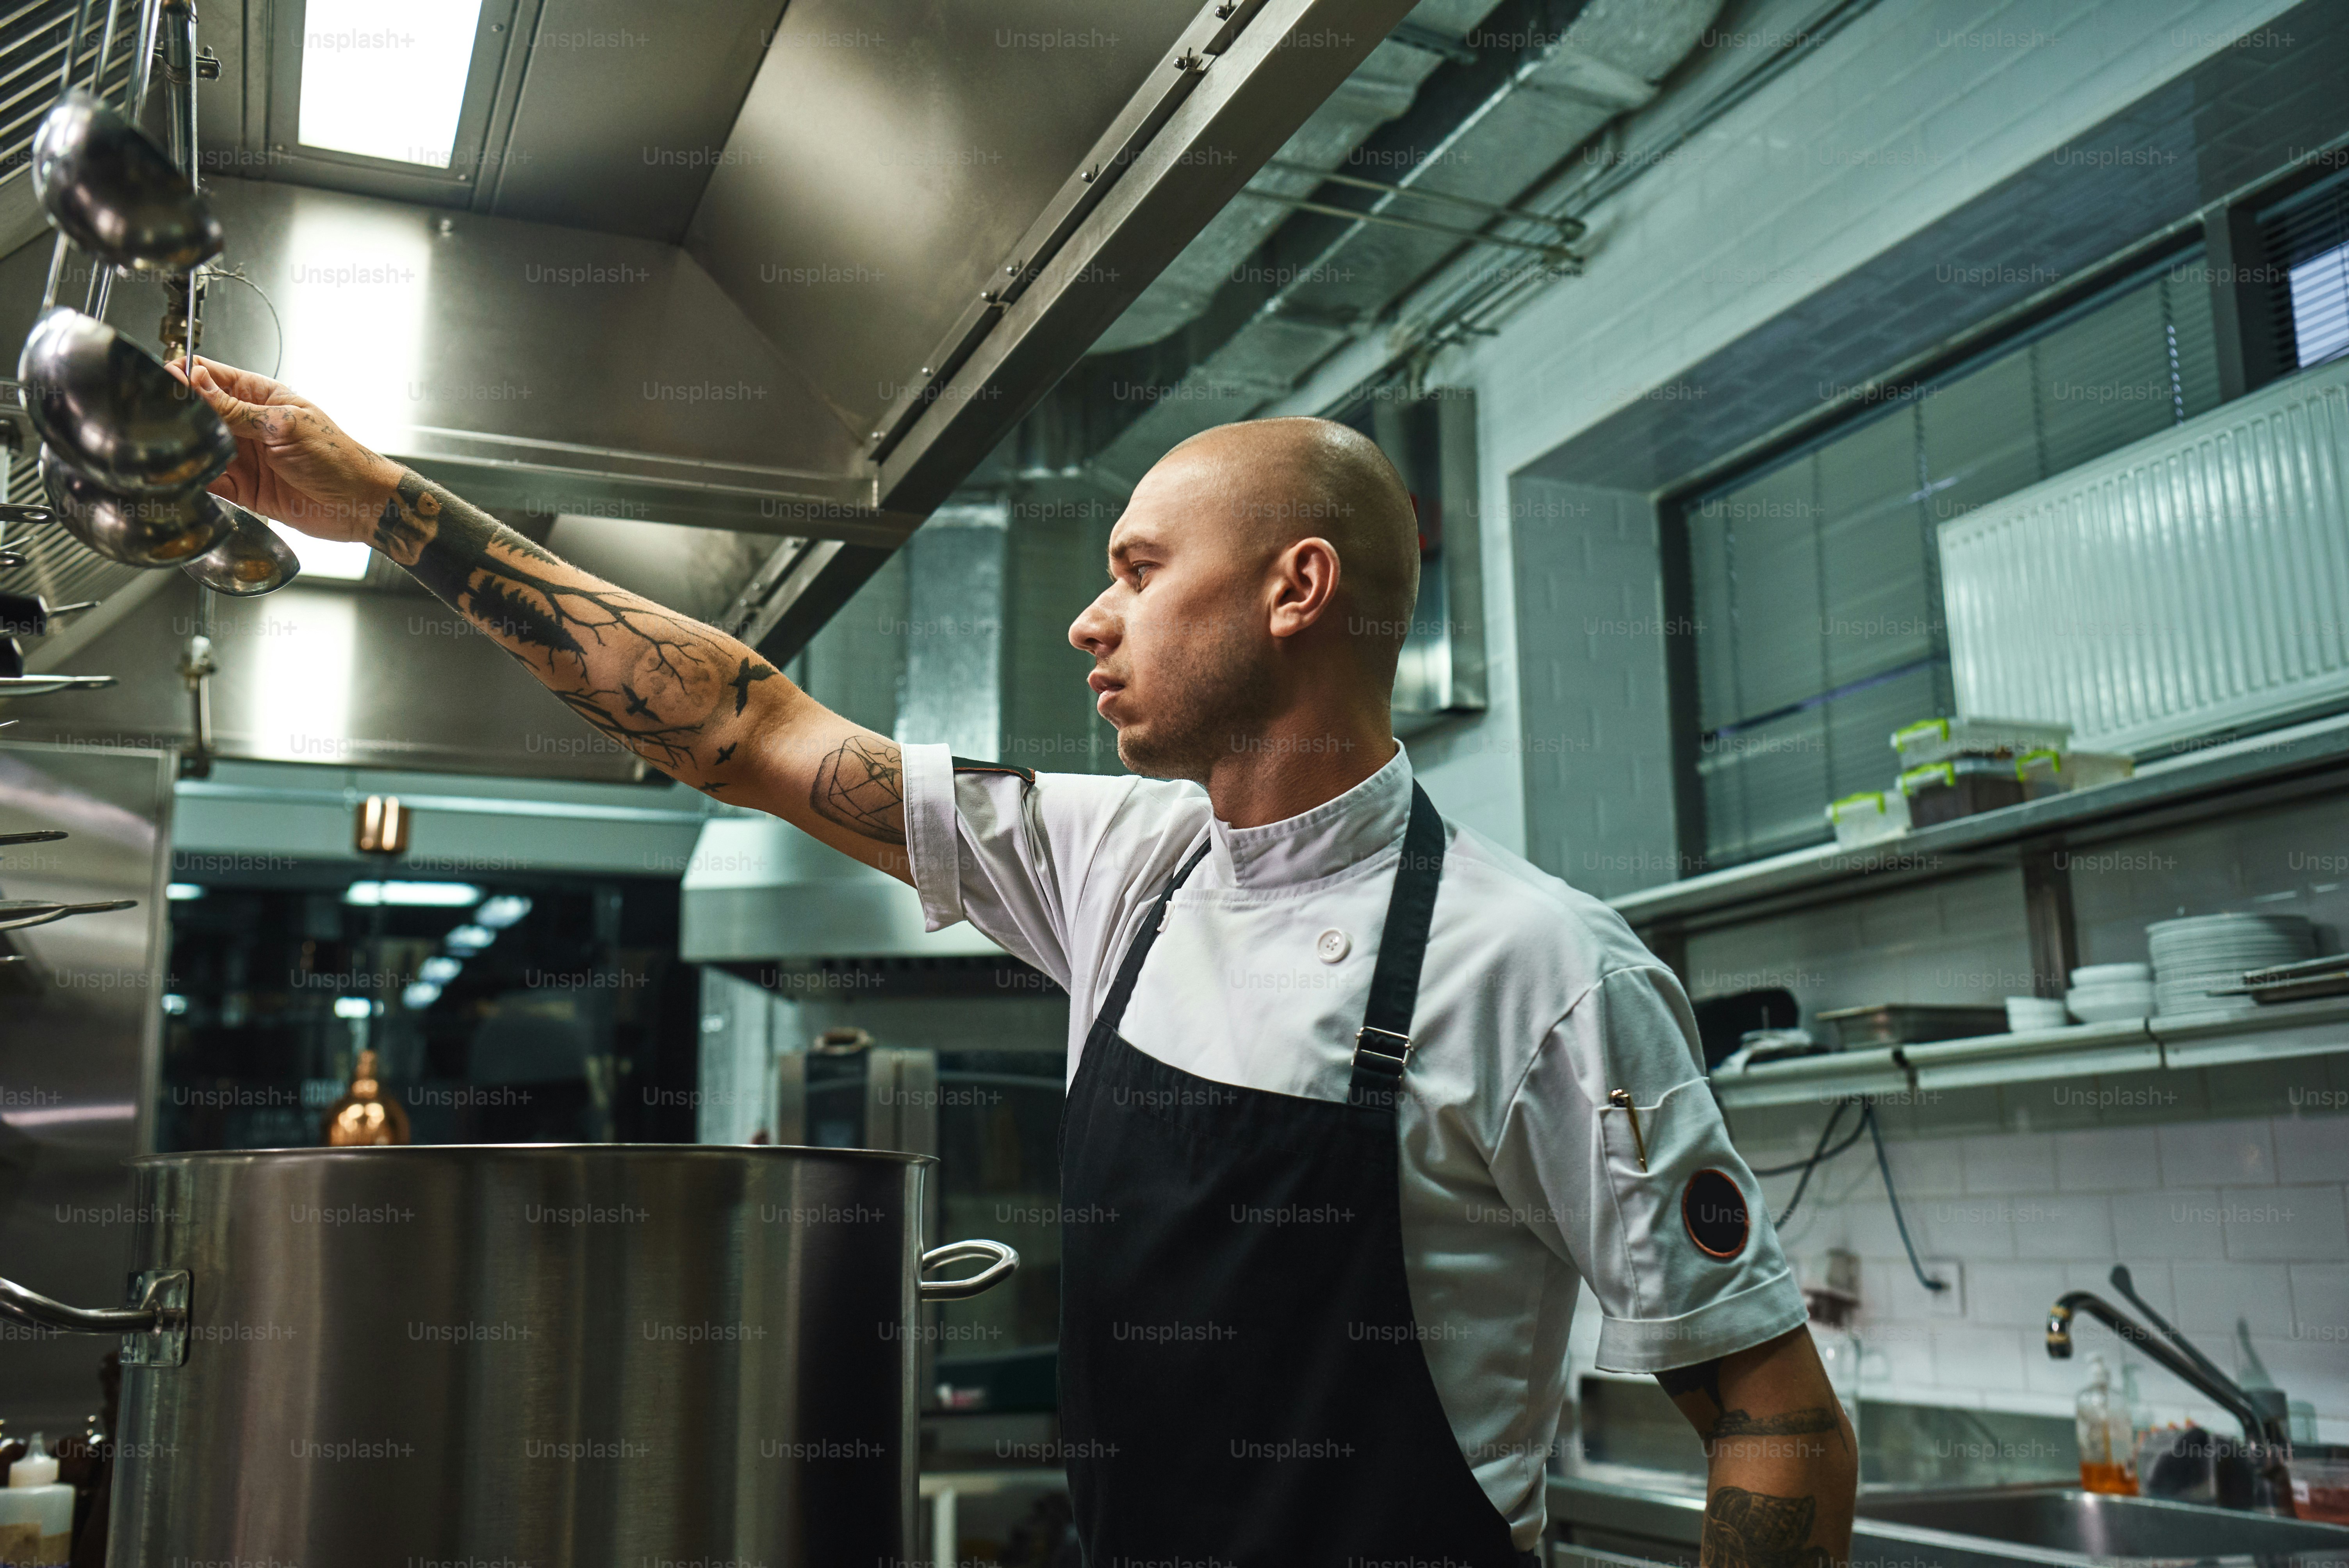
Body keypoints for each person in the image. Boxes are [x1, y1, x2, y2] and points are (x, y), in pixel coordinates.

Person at [181, 358, 1857, 1565]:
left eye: (1139, 572)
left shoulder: (1542, 966)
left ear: (1296, 587)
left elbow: (1776, 1416)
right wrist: (381, 507)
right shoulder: (1109, 863)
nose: (1089, 617)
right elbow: (743, 723)